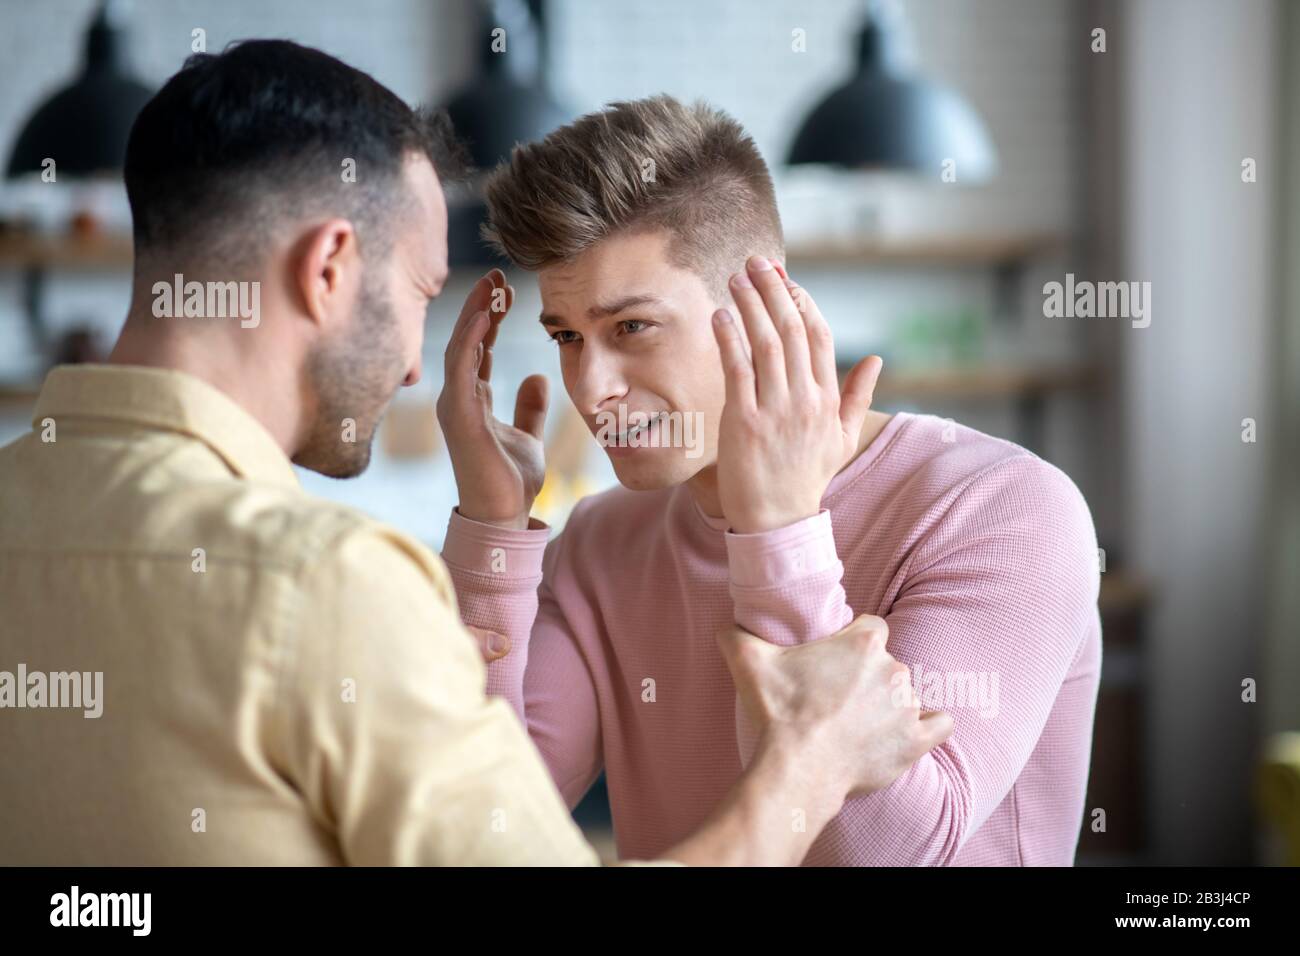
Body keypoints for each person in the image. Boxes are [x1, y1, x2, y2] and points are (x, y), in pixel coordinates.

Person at [0, 41, 951, 867]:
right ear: (327, 270)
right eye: (419, 292)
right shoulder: (324, 586)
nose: (417, 367)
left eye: (629, 328)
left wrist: (498, 529)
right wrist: (811, 762)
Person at [437, 95, 1103, 865]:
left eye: (631, 329)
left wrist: (779, 534)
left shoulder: (1002, 509)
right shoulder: (600, 541)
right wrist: (491, 528)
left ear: (765, 304)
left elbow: (884, 856)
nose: (591, 390)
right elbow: (479, 829)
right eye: (567, 337)